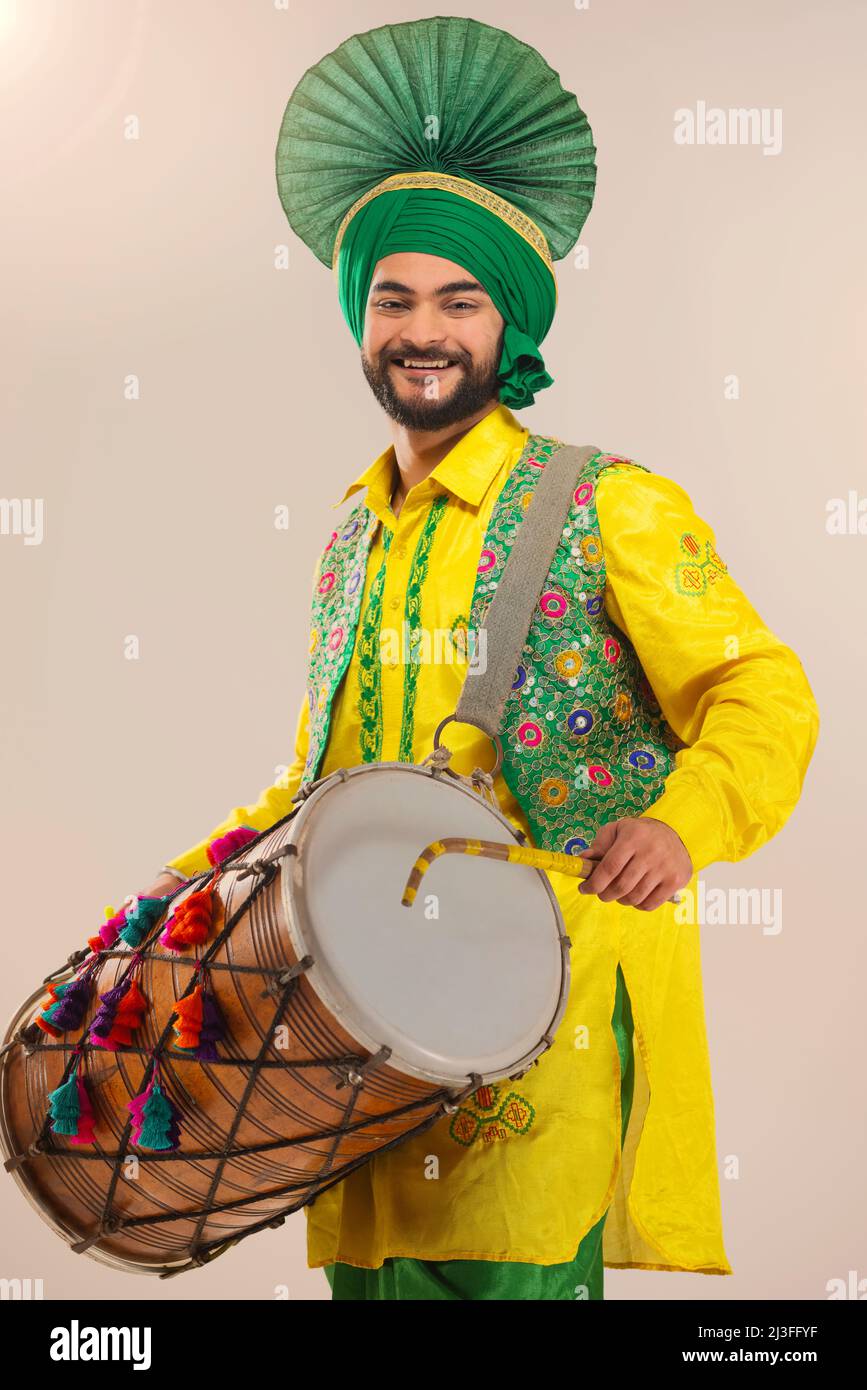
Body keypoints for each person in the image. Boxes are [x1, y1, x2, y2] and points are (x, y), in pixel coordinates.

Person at [142, 17, 819, 1299]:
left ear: (507, 324)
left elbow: (762, 688)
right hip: (352, 1060)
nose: (423, 327)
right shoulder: (350, 539)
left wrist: (683, 822)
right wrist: (176, 899)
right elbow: (324, 786)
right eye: (392, 297)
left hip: (534, 1050)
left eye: (460, 298)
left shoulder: (609, 502)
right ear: (360, 323)